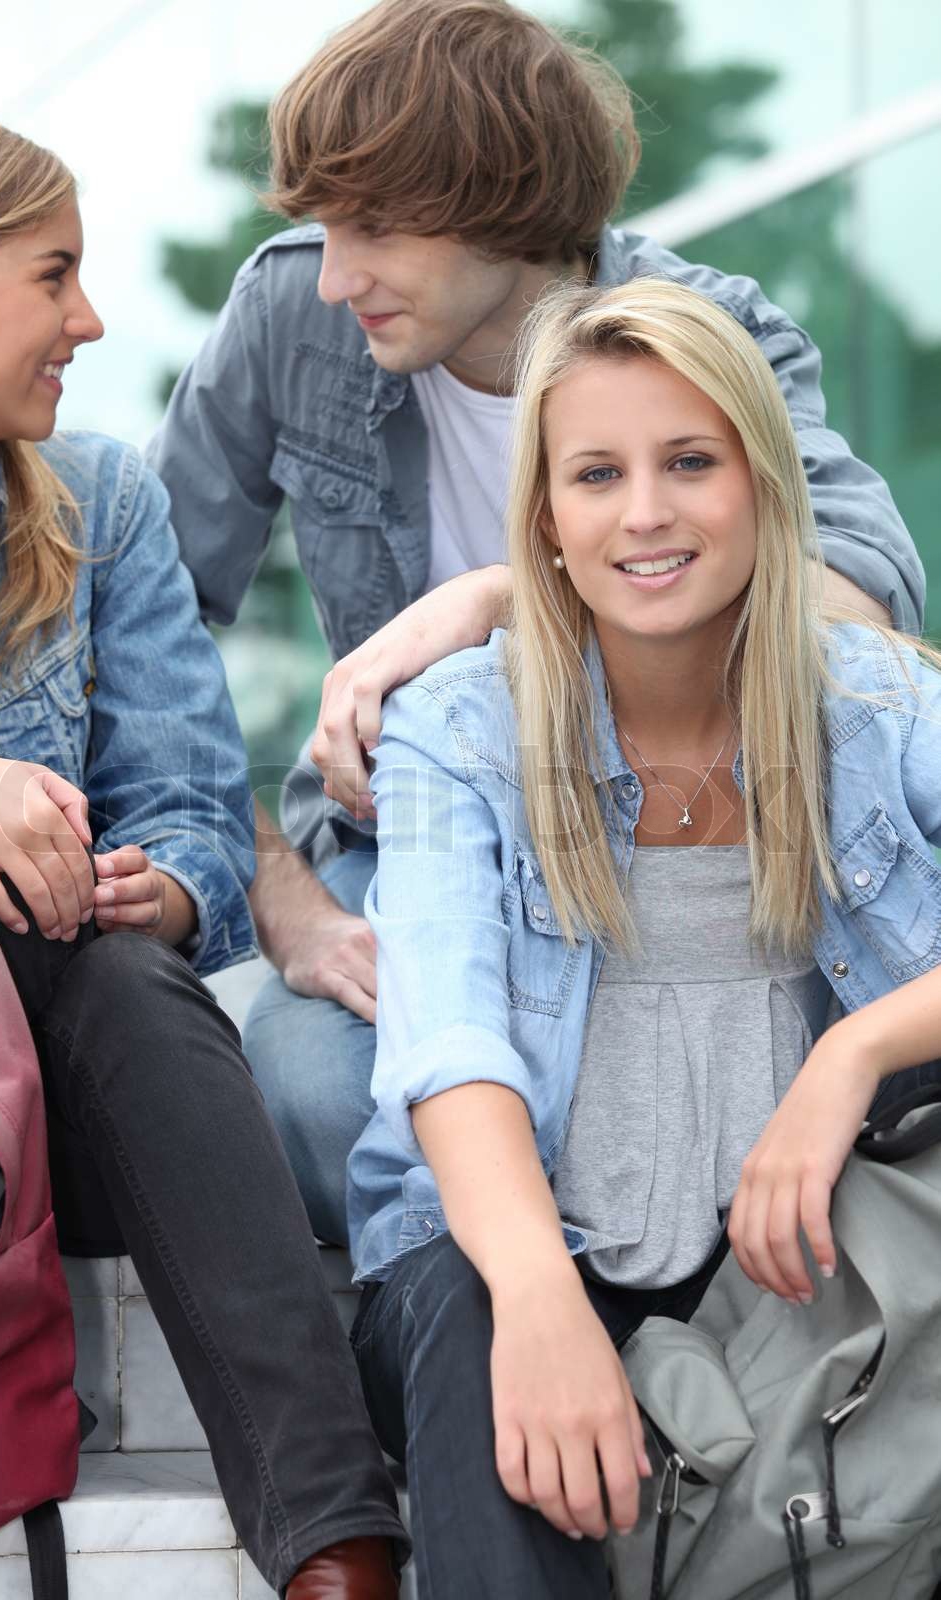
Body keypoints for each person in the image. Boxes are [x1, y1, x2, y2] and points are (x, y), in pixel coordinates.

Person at [148, 0, 926, 1249]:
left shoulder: (698, 324)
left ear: (501, 201)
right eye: (321, 228)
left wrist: (509, 593)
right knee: (312, 1088)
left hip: (684, 831)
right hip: (404, 837)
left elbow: (867, 596)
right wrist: (279, 895)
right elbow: (150, 625)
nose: (337, 271)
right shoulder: (293, 318)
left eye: (376, 228)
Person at [0, 103, 408, 1599]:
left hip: (45, 1119)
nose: (89, 320)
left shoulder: (98, 506)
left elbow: (183, 794)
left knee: (120, 973)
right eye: (52, 276)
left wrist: (164, 882)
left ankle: (333, 1553)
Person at [344, 274, 941, 1599]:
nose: (645, 514)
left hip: (802, 1252)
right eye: (596, 474)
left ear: (760, 485)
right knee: (458, 1305)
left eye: (687, 462)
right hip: (518, 1242)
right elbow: (449, 1042)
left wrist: (849, 1062)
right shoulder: (457, 728)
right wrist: (540, 1306)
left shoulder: (874, 699)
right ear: (545, 522)